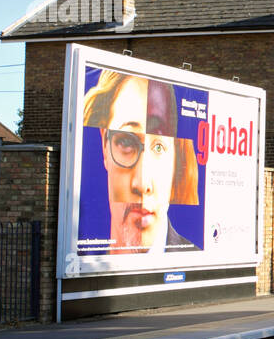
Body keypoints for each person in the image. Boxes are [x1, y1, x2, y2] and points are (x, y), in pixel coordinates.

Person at [82, 70, 200, 253]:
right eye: (127, 142)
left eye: (159, 147)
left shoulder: (195, 261)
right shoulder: (84, 259)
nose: (143, 184)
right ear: (105, 146)